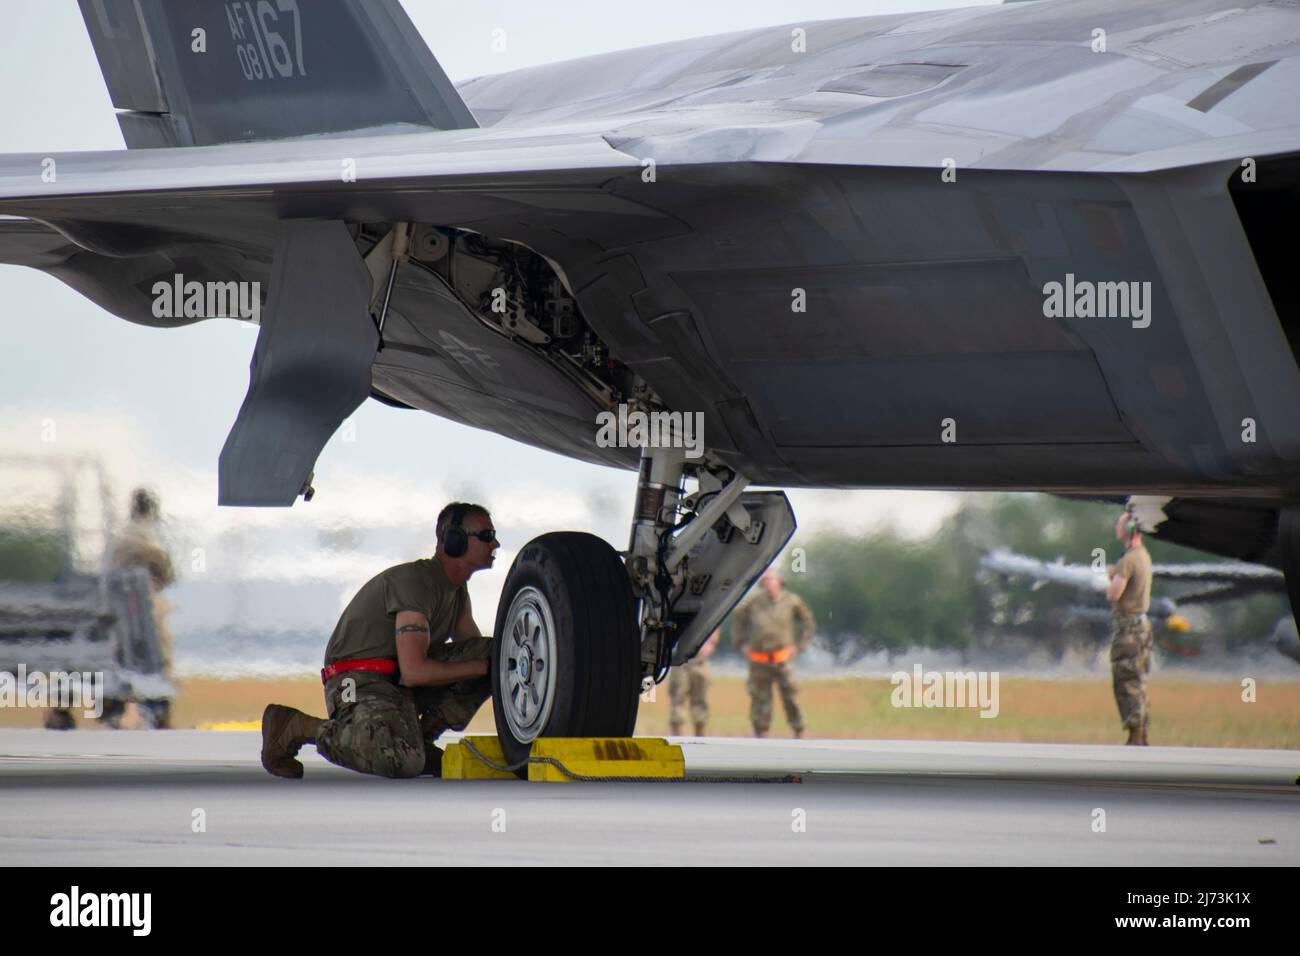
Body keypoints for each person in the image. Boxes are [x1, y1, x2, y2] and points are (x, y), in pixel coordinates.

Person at [260, 502, 499, 779]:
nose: (495, 543)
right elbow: (415, 672)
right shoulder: (416, 583)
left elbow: (474, 652)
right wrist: (485, 668)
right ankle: (295, 727)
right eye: (486, 535)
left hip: (394, 683)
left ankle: (420, 740)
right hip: (357, 681)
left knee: (498, 654)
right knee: (400, 761)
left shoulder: (455, 591)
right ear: (453, 541)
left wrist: (493, 668)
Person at [44, 487, 176, 730]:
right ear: (151, 511)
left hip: (112, 609)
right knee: (158, 652)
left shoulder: (120, 537)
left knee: (101, 659)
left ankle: (76, 709)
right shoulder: (147, 538)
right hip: (138, 609)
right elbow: (164, 571)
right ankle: (156, 712)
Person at [732, 570, 815, 738]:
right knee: (760, 699)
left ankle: (798, 729)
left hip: (783, 659)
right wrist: (742, 644)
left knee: (791, 696)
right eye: (765, 580)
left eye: (771, 579)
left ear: (779, 582)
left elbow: (808, 621)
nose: (768, 583)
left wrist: (800, 645)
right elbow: (738, 620)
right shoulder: (753, 602)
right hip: (759, 660)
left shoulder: (791, 601)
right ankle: (761, 731)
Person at [1107, 510, 1154, 746]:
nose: (1116, 527)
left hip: (1128, 632)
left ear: (1129, 529)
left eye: (1120, 524)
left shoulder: (1128, 561)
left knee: (1126, 681)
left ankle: (1135, 734)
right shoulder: (1143, 556)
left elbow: (1114, 594)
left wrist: (1107, 579)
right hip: (1142, 628)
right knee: (1138, 679)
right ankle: (1141, 731)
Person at [669, 628, 720, 736]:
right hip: (679, 660)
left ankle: (700, 739)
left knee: (701, 702)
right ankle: (676, 739)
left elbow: (715, 624)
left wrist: (710, 644)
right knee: (677, 700)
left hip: (700, 662)